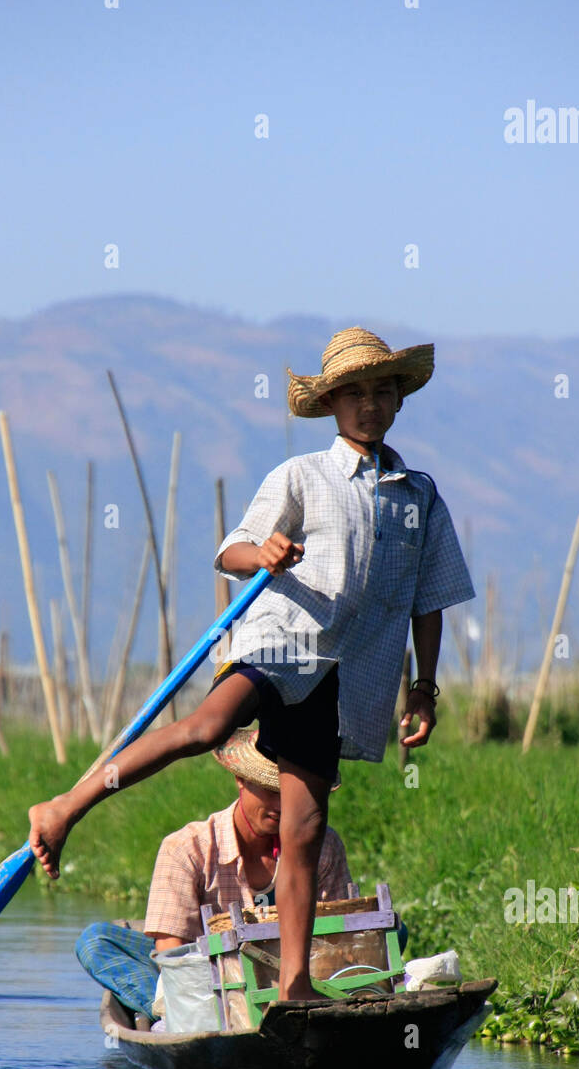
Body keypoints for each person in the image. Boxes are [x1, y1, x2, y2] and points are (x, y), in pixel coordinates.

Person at [28, 326, 474, 1003]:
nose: (369, 405)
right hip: (279, 644)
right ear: (331, 406)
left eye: (382, 391)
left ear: (399, 401)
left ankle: (295, 985)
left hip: (345, 677)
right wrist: (264, 554)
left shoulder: (419, 497)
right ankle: (65, 807)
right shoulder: (302, 477)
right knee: (205, 730)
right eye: (354, 394)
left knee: (304, 830)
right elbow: (231, 550)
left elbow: (429, 600)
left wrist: (424, 689)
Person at [75, 728, 352, 1028]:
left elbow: (341, 939)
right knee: (96, 941)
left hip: (295, 969)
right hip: (204, 977)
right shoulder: (187, 848)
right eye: (270, 790)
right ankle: (174, 1013)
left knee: (392, 932)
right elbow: (173, 955)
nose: (281, 806)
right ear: (240, 780)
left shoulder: (323, 846)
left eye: (290, 795)